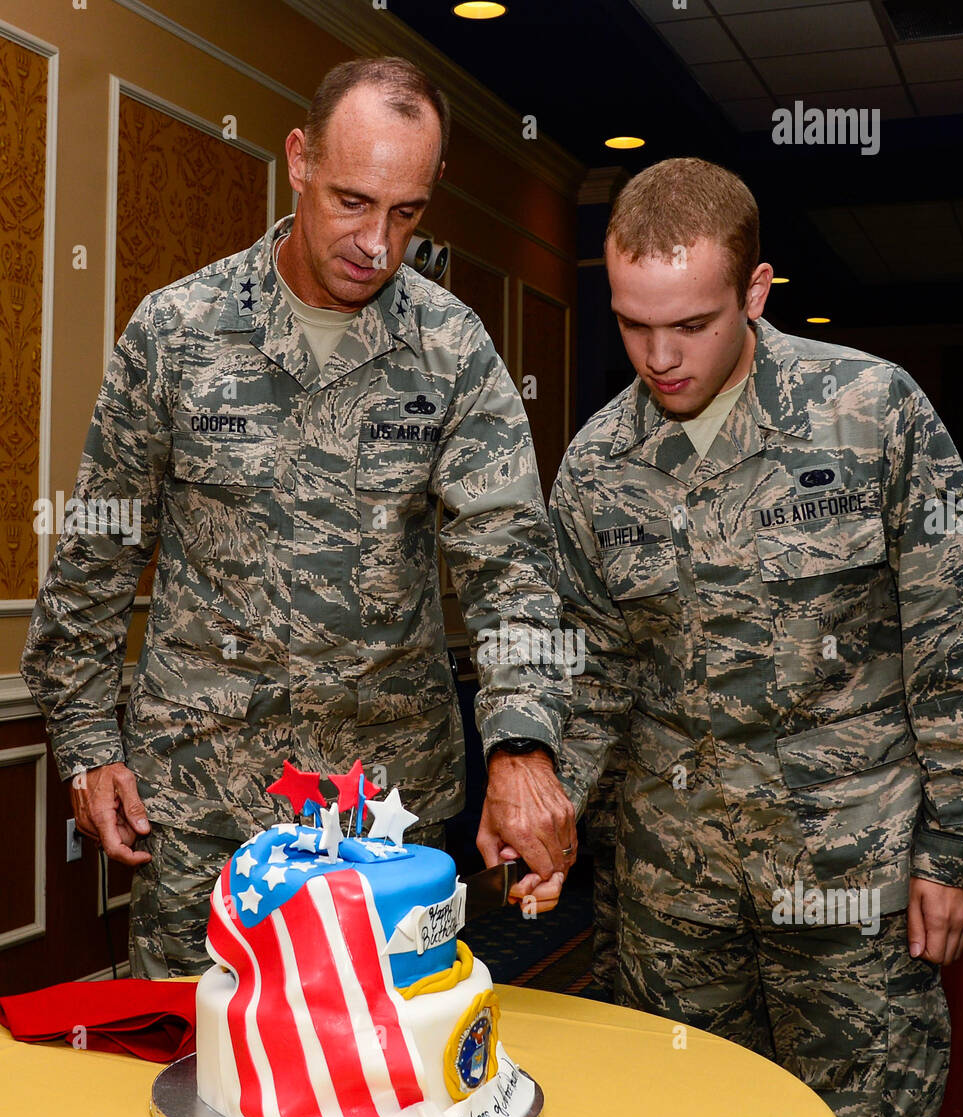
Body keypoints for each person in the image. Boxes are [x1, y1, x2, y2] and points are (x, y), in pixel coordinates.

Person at [546, 158, 963, 1117]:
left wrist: (954, 852)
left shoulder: (874, 413)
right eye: (632, 325)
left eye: (692, 324)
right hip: (673, 894)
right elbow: (587, 670)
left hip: (855, 881)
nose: (659, 357)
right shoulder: (598, 467)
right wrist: (553, 804)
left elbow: (959, 640)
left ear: (757, 290)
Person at [21, 57, 576, 977]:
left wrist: (519, 740)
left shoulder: (452, 348)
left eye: (407, 214)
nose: (378, 246)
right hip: (204, 805)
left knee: (385, 1076)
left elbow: (509, 563)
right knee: (196, 1072)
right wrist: (86, 747)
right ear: (299, 161)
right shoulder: (177, 331)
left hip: (386, 814)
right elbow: (98, 554)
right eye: (354, 201)